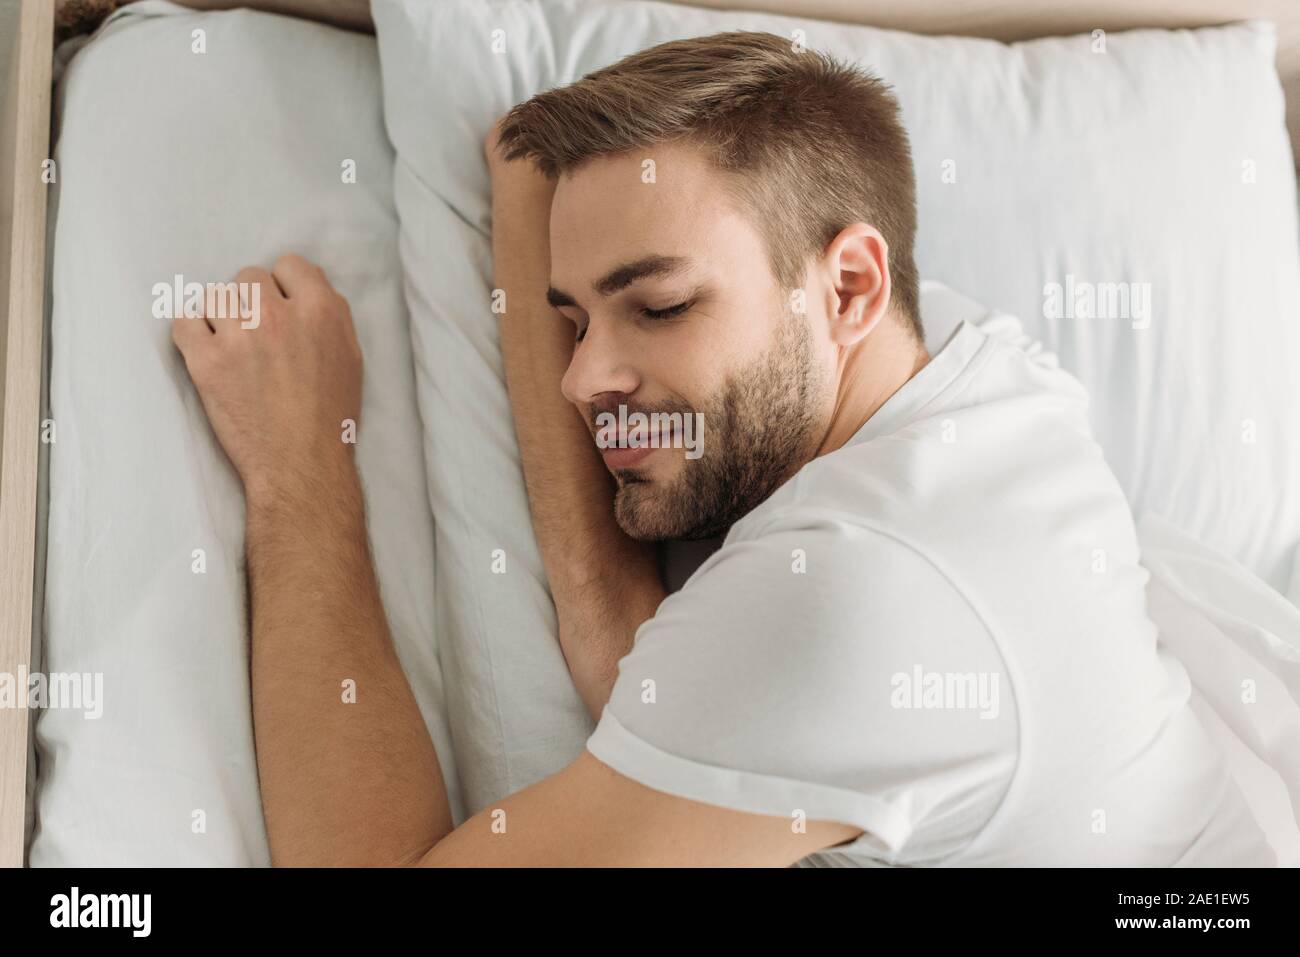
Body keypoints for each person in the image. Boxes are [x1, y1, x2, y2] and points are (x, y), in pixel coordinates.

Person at [172, 31, 1271, 866]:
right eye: (568, 319)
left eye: (656, 306)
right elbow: (634, 658)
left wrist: (301, 464)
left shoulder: (858, 600)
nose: (578, 381)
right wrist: (526, 185)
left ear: (848, 284)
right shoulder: (973, 374)